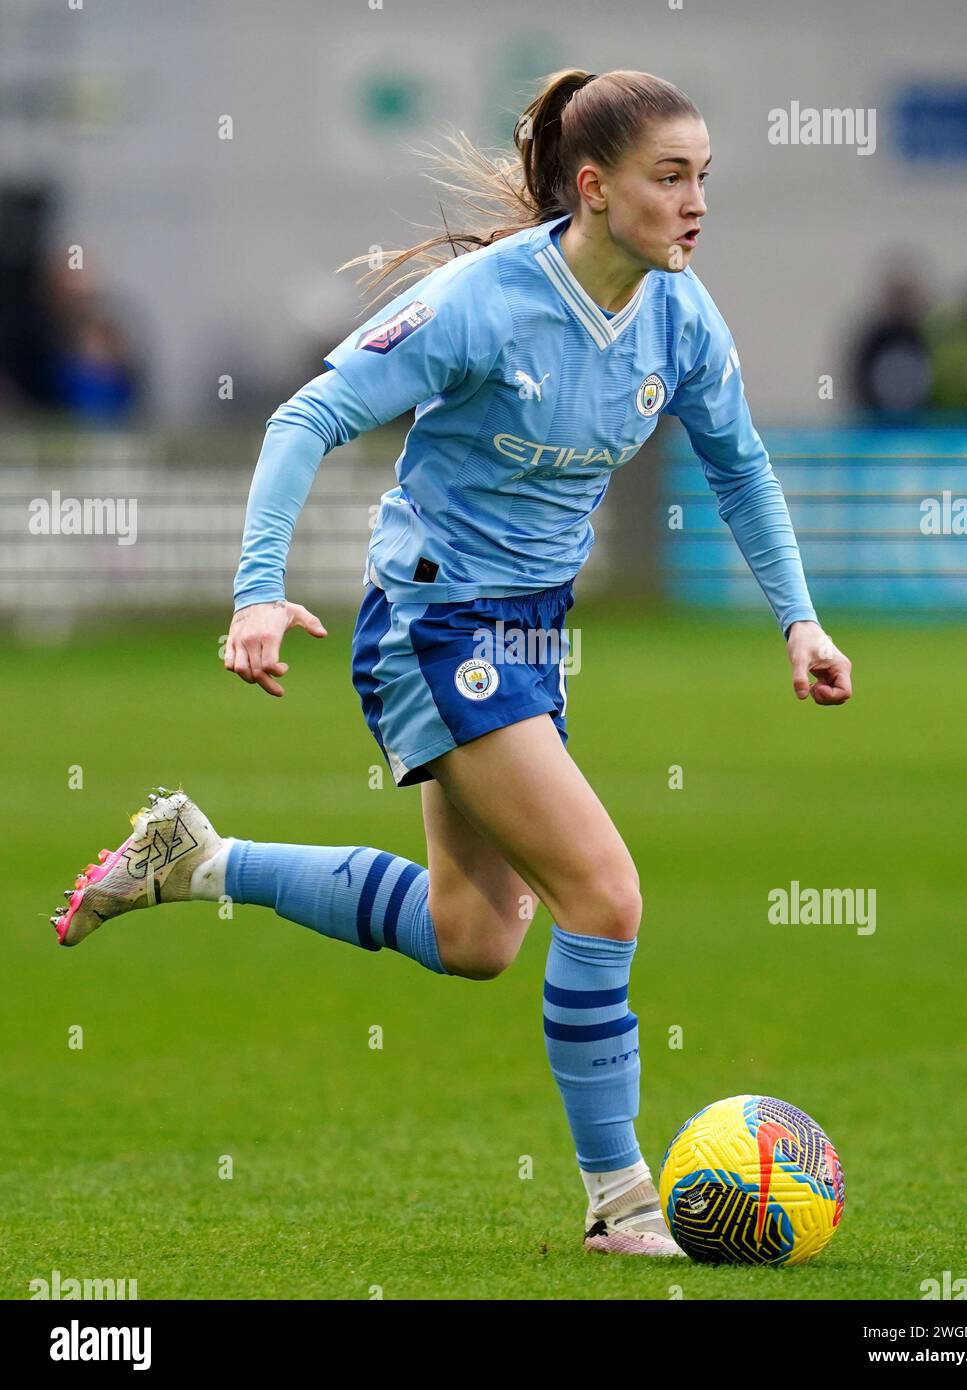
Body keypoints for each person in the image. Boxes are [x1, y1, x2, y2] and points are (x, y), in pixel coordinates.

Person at [49, 69, 852, 1257]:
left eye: (704, 179)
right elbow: (302, 418)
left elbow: (737, 464)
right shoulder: (484, 302)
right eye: (670, 178)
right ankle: (623, 1204)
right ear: (595, 188)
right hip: (435, 624)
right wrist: (258, 589)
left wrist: (798, 617)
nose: (696, 205)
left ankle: (200, 859)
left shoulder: (682, 317)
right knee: (606, 893)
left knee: (475, 935)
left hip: (529, 630)